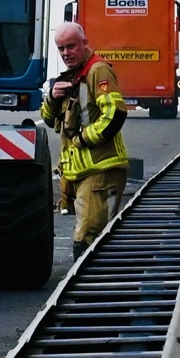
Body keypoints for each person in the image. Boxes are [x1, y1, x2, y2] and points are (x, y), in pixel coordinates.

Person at [42, 21, 128, 257]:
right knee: (92, 238)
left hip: (102, 169)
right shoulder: (70, 77)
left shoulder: (98, 71)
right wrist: (51, 97)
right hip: (80, 173)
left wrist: (82, 139)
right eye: (61, 49)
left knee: (87, 239)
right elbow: (50, 121)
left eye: (70, 46)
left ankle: (88, 291)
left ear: (84, 44)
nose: (66, 53)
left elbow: (115, 113)